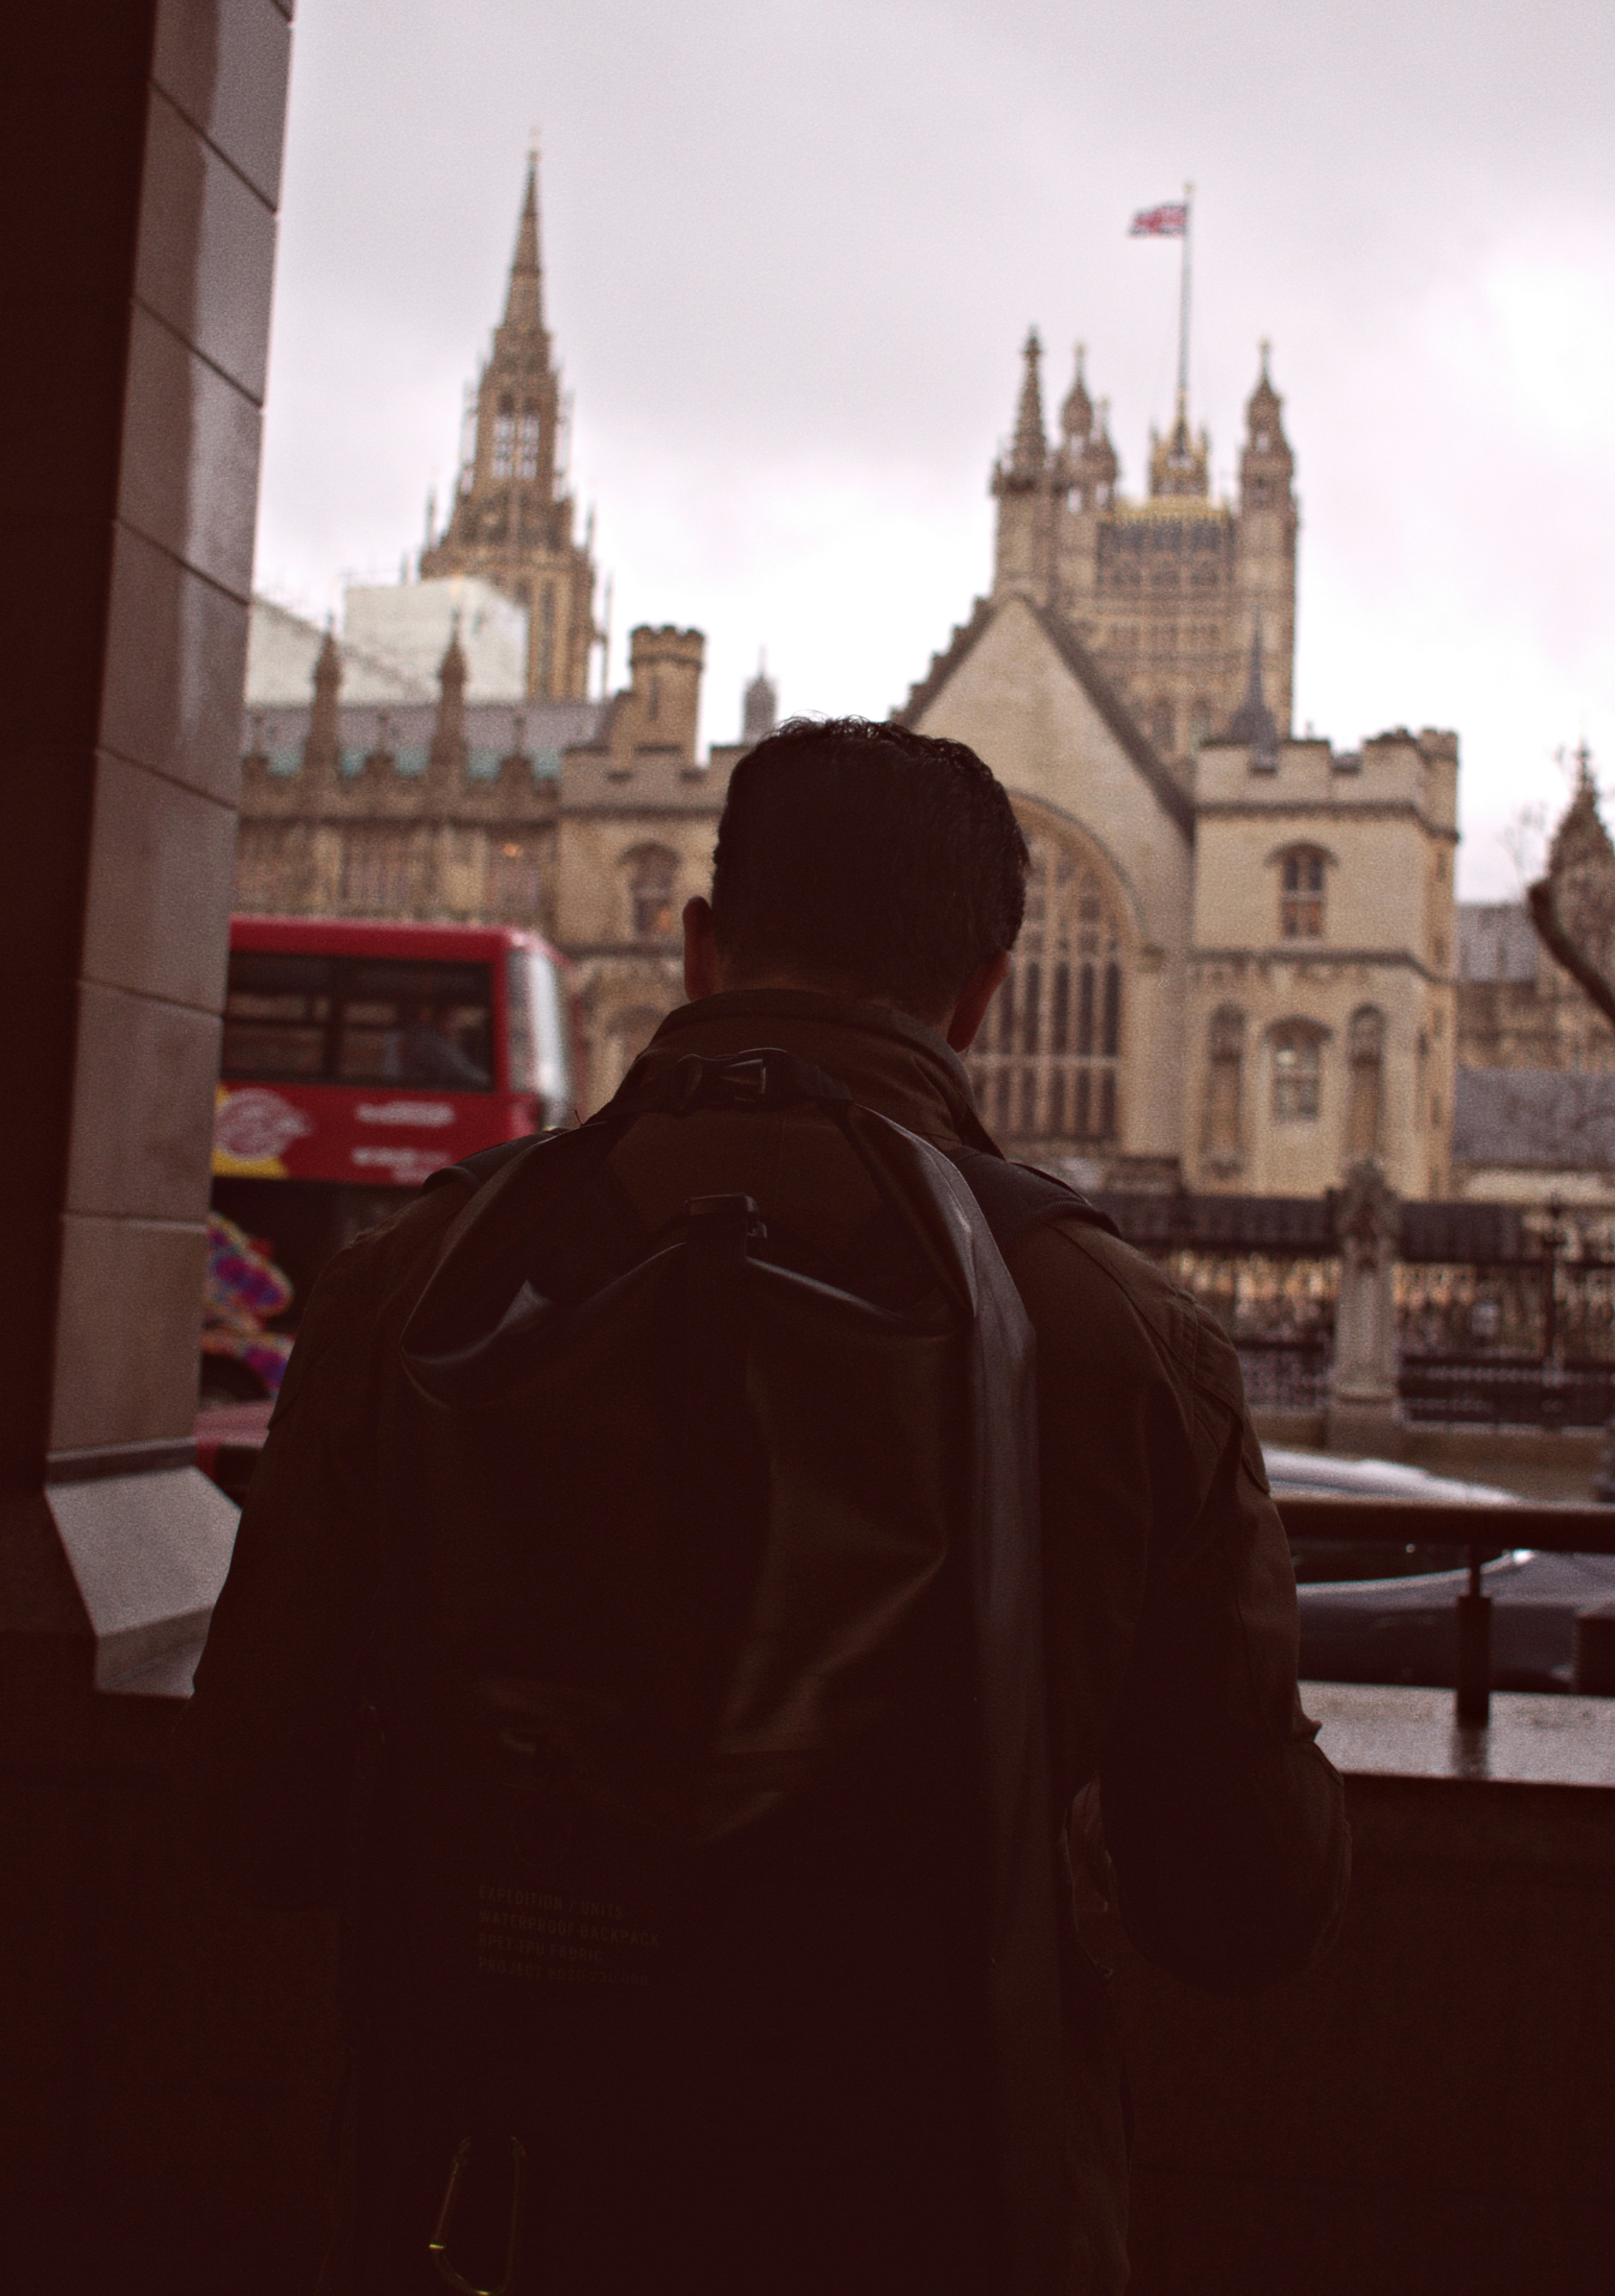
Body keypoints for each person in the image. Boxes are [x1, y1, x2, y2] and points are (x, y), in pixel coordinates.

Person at [187, 718, 1349, 2295]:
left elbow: (258, 1815)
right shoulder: (1124, 1337)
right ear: (984, 994)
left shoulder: (413, 1282)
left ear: (701, 950)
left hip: (497, 2198)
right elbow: (1245, 1905)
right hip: (934, 2216)